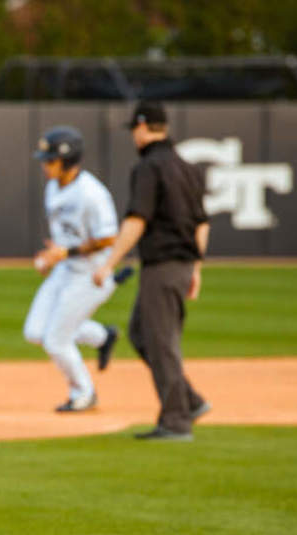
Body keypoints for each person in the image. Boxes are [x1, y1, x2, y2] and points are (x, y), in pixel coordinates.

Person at [94, 100, 211, 441]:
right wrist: (196, 268)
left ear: (143, 127)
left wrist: (109, 264)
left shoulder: (149, 167)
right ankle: (190, 401)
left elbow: (137, 220)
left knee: (161, 342)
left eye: (134, 128)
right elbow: (202, 224)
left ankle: (176, 421)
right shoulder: (187, 167)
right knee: (141, 333)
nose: (134, 135)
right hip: (181, 264)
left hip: (162, 265)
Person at [24, 125, 132, 413]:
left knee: (55, 340)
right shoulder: (53, 187)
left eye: (51, 160)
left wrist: (67, 252)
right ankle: (102, 336)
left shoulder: (91, 193)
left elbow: (109, 237)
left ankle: (84, 393)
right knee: (35, 332)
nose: (45, 166)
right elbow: (65, 237)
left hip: (91, 274)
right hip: (65, 269)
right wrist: (52, 256)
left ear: (68, 161)